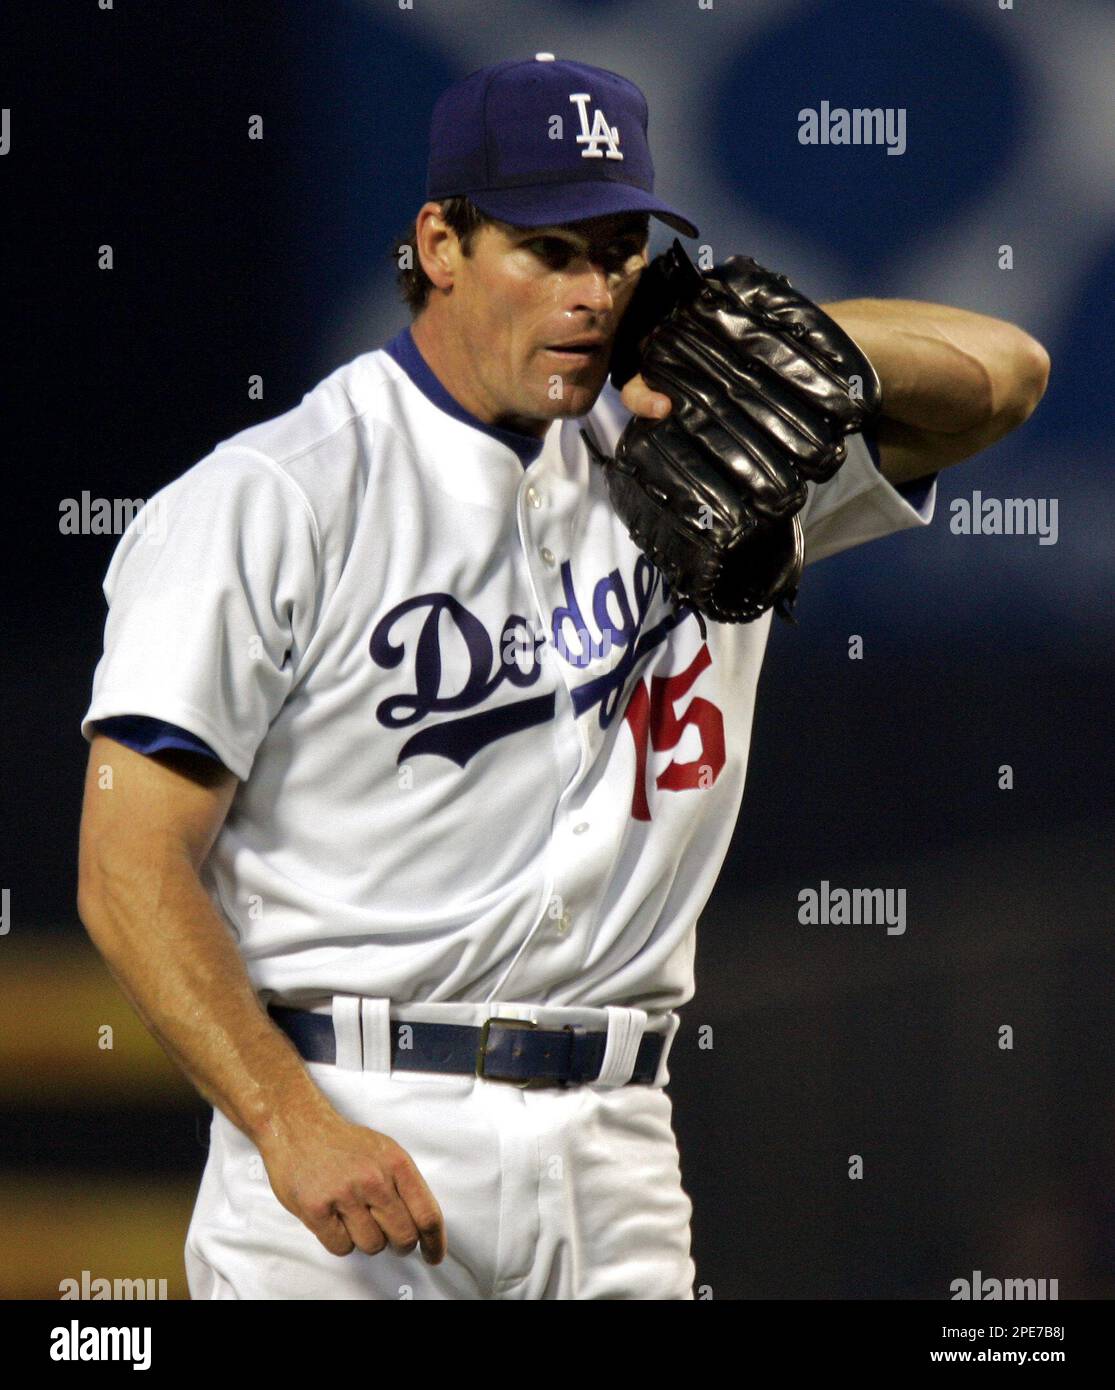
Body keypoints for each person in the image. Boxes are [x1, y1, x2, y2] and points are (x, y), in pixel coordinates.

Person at [76, 54, 1050, 1300]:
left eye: (617, 250)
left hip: (617, 1153)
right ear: (440, 241)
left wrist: (776, 341)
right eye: (548, 252)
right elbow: (128, 863)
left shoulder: (700, 444)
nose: (593, 291)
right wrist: (284, 1120)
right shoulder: (272, 497)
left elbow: (1005, 375)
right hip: (353, 1118)